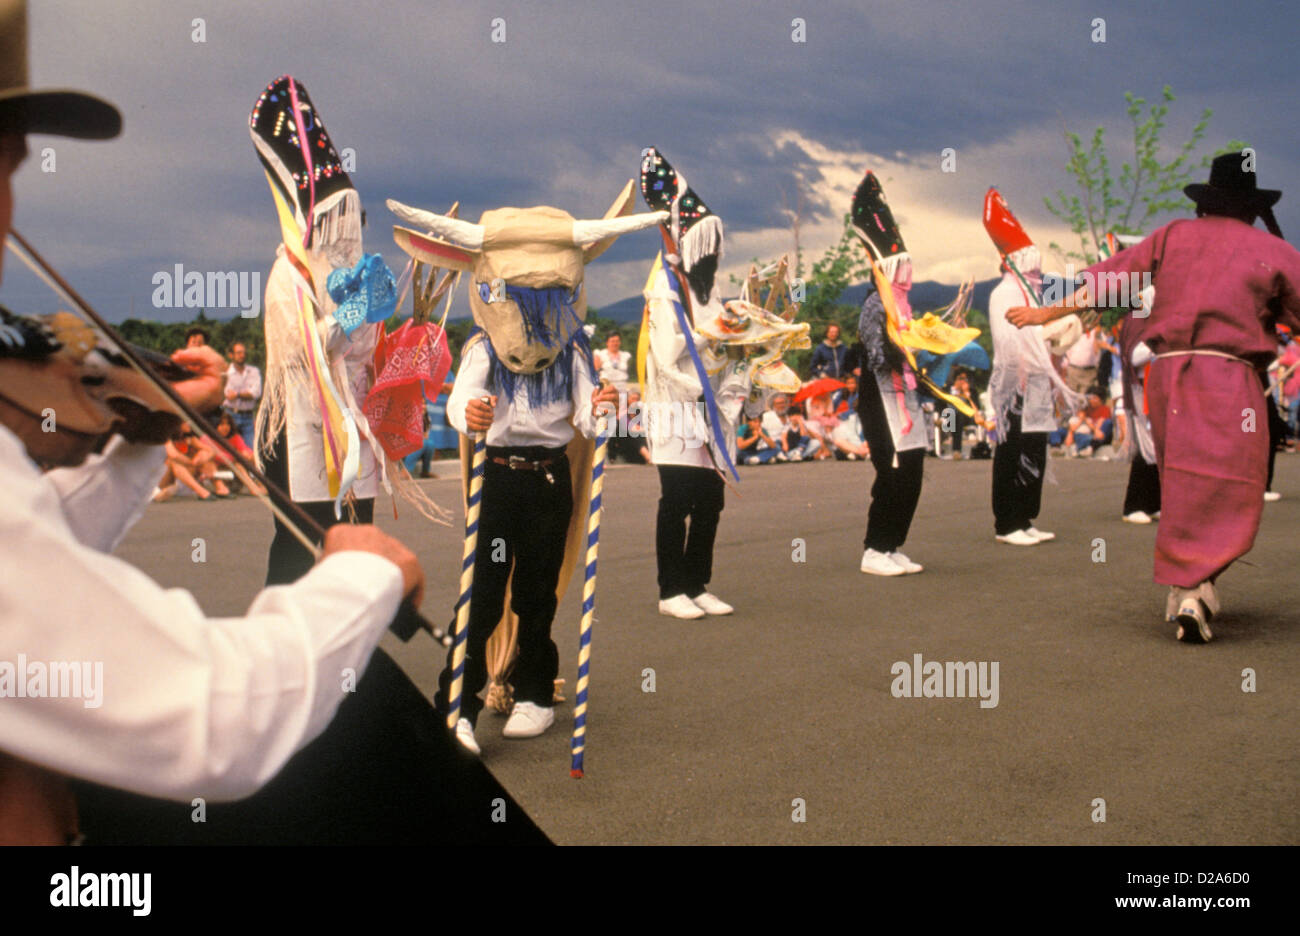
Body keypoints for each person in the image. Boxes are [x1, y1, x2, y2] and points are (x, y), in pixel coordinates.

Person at [0, 16, 424, 843]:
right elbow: (209, 719)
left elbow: (32, 549)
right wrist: (362, 580)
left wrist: (144, 432)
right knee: (366, 752)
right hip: (308, 443)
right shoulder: (292, 278)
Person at [1008, 151, 1300, 642]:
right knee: (1236, 479)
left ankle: (1189, 582)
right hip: (1229, 376)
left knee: (1181, 476)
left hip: (1169, 377)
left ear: (1207, 200)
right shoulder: (1271, 249)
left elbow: (1109, 276)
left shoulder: (1172, 236)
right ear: (1252, 205)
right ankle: (1196, 583)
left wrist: (1047, 311)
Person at [250, 75, 391, 587]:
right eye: (336, 222)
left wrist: (395, 335)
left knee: (356, 548)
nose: (348, 235)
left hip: (351, 426)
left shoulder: (355, 271)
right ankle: (283, 654)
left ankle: (355, 660)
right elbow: (299, 353)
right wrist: (353, 312)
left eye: (354, 222)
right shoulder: (290, 272)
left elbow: (364, 356)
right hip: (299, 424)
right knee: (300, 549)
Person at [222, 340, 261, 450]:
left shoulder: (253, 371)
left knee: (252, 451)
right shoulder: (226, 372)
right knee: (229, 450)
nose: (242, 355)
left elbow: (256, 393)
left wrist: (238, 394)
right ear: (231, 355)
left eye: (243, 352)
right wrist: (247, 394)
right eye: (238, 353)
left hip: (248, 417)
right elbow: (228, 394)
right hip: (230, 416)